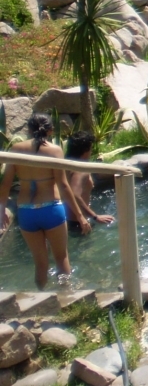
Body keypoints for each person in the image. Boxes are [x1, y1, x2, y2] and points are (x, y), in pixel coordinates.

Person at [0, 113, 90, 289]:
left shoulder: (16, 149)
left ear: (29, 129)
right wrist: (80, 216)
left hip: (26, 211)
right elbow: (63, 186)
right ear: (50, 130)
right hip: (51, 208)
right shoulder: (55, 150)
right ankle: (66, 298)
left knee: (40, 264)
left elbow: (5, 184)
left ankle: (41, 299)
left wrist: (1, 210)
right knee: (61, 258)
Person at [65, 132, 115, 229]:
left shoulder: (66, 164)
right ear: (85, 150)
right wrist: (95, 217)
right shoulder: (81, 170)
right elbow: (74, 195)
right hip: (78, 223)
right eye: (91, 148)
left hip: (67, 220)